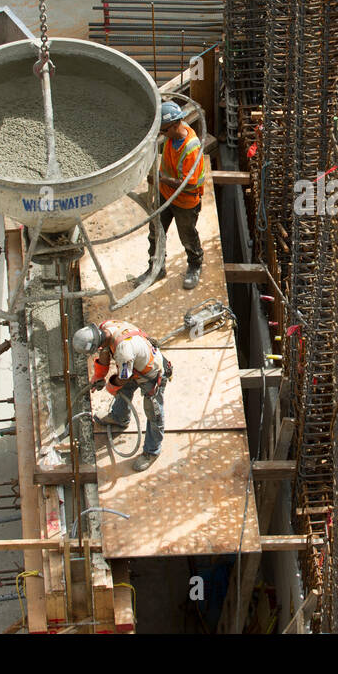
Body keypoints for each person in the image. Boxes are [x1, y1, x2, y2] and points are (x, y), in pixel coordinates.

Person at [71, 320, 173, 472]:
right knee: (123, 390)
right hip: (136, 366)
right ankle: (119, 417)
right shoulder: (105, 328)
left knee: (154, 414)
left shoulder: (123, 351)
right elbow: (104, 352)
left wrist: (111, 385)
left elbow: (124, 377)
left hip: (152, 374)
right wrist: (99, 376)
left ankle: (152, 451)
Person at [143, 100, 207, 290]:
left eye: (163, 131)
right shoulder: (174, 134)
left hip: (185, 202)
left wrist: (161, 179)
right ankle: (156, 268)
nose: (162, 135)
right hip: (165, 195)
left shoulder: (191, 149)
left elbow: (190, 184)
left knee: (187, 236)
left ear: (174, 125)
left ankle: (195, 265)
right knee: (155, 232)